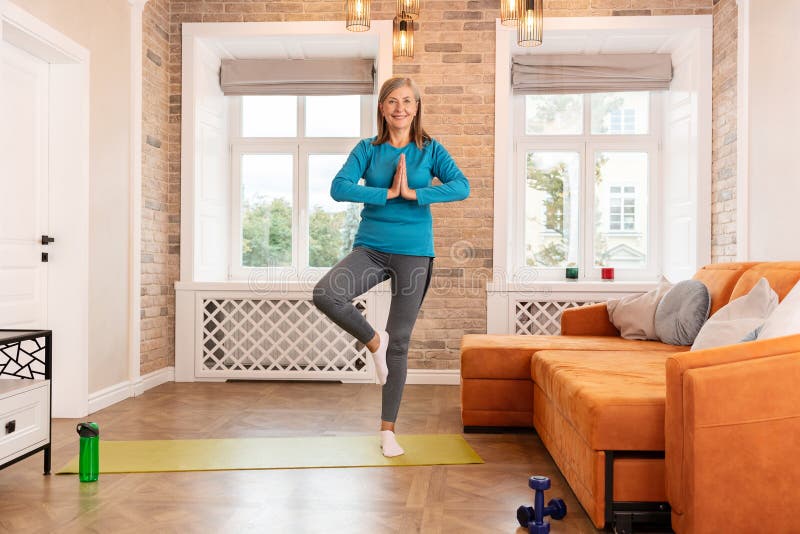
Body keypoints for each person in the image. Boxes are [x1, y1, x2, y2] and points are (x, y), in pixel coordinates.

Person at [312, 76, 470, 457]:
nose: (400, 108)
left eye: (408, 101)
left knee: (400, 341)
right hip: (372, 246)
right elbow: (339, 187)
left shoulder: (430, 149)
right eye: (393, 101)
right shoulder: (367, 149)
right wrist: (386, 193)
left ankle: (387, 432)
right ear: (382, 107)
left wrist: (414, 193)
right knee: (326, 293)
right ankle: (373, 341)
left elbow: (461, 186)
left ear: (416, 108)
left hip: (415, 252)